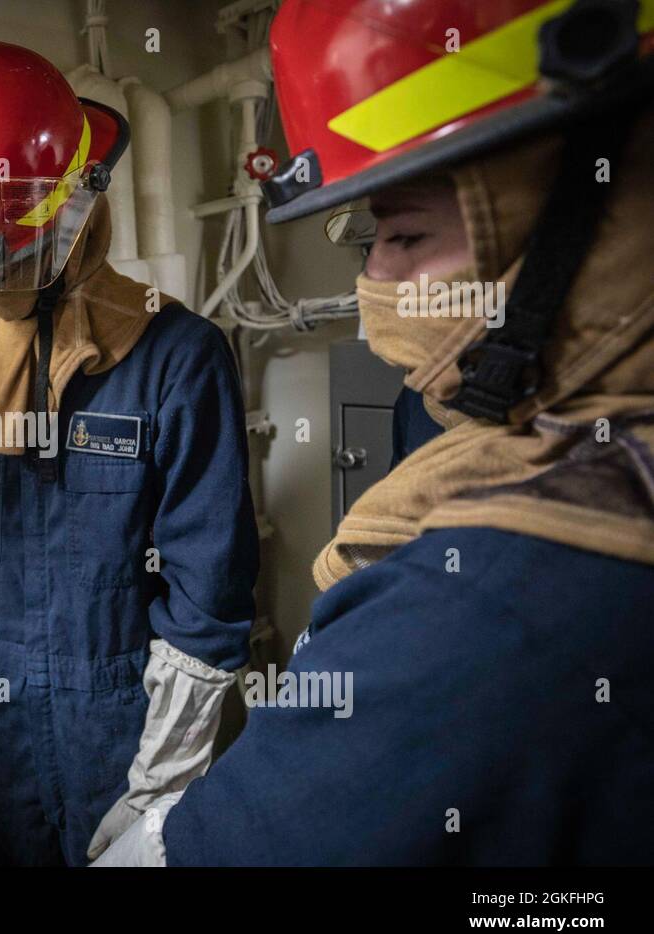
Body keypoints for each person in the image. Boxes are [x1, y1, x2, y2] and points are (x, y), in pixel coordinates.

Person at [96, 0, 654, 866]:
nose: (375, 284)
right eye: (370, 241)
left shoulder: (500, 598)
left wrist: (172, 832)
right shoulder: (480, 432)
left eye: (407, 233)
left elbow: (270, 834)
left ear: (606, 207)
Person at [0, 41, 258, 865]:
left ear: (72, 211)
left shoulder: (179, 357)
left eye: (3, 256)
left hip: (122, 720)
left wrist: (159, 788)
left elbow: (210, 598)